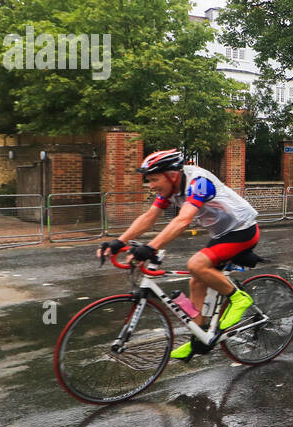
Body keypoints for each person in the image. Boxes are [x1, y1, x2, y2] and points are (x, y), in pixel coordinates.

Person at [97, 149, 260, 360]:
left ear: (172, 175)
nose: (151, 185)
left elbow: (183, 220)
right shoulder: (170, 189)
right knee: (196, 282)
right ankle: (199, 339)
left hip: (243, 229)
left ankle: (239, 298)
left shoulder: (198, 183)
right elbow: (150, 216)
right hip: (222, 234)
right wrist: (120, 241)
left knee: (196, 265)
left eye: (154, 179)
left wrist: (151, 247)